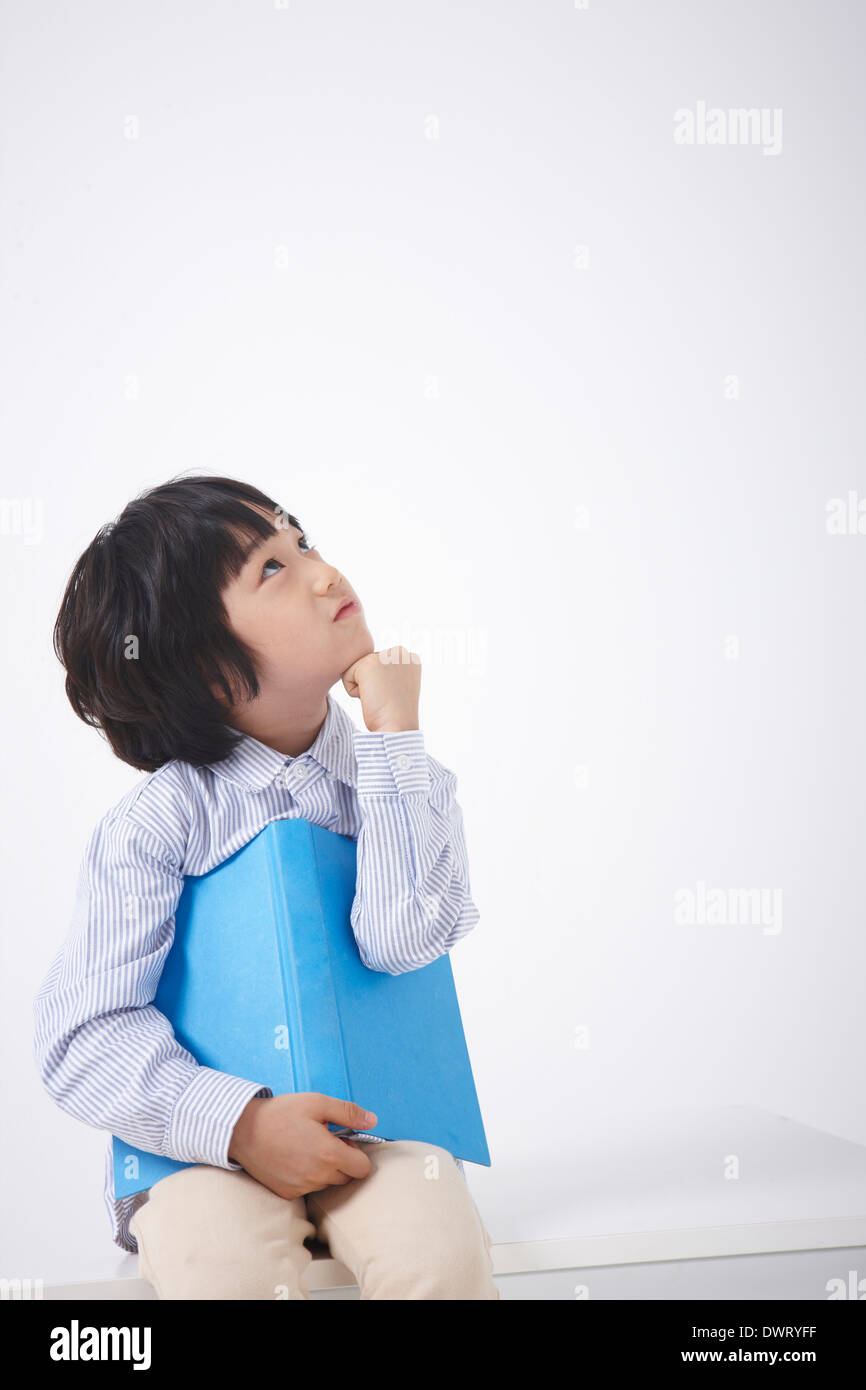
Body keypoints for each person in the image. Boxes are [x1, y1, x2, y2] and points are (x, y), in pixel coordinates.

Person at [33, 472, 498, 1300]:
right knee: (225, 1272)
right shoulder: (156, 824)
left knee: (442, 1259)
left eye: (304, 542)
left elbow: (399, 941)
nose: (325, 572)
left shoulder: (406, 778)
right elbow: (82, 1039)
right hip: (204, 1150)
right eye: (271, 570)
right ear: (205, 669)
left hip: (377, 1133)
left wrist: (395, 739)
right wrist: (242, 1125)